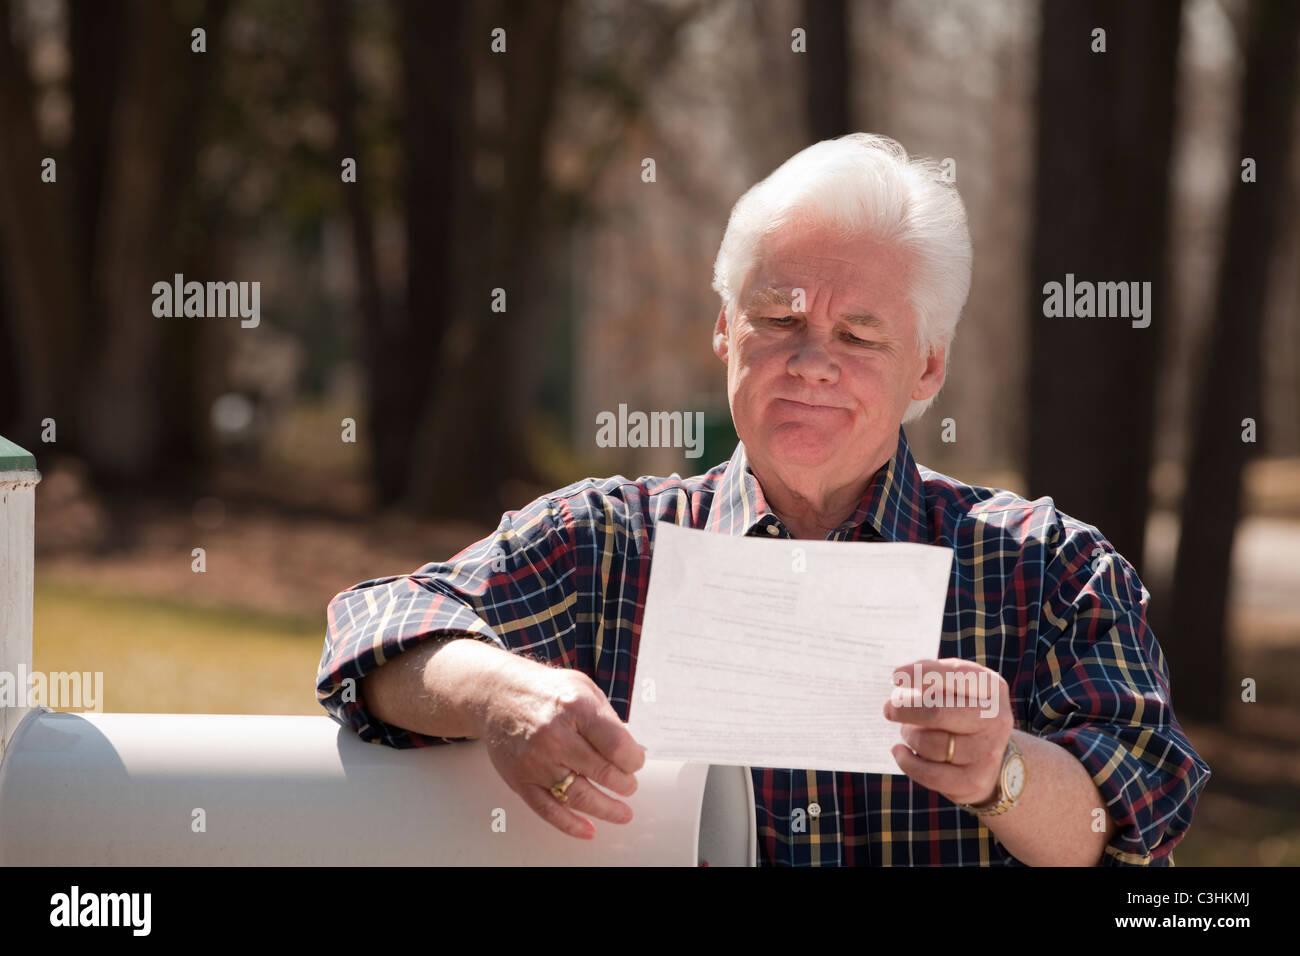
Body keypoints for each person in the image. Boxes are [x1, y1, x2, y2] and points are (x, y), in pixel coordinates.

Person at [316, 133, 1210, 866]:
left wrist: (1000, 772)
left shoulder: (1046, 566)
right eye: (778, 319)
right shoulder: (607, 543)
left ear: (929, 365)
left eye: (860, 335)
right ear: (723, 328)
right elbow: (375, 631)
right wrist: (502, 694)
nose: (811, 360)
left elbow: (1138, 812)